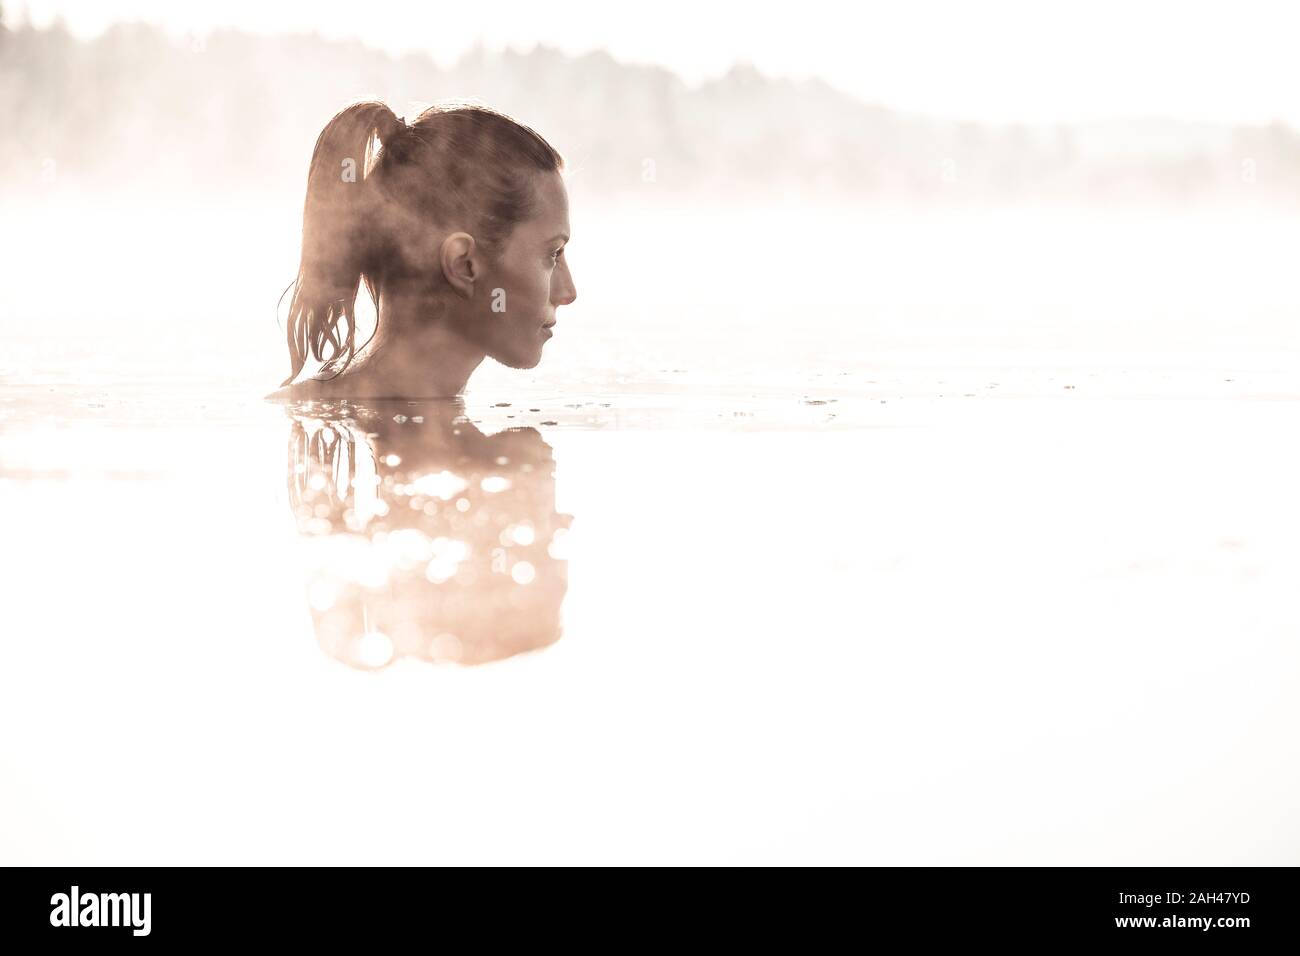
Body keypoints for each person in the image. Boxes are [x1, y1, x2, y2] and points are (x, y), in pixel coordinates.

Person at [268, 101, 577, 399]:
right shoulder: (295, 422)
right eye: (552, 254)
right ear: (463, 265)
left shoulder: (310, 417)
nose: (568, 293)